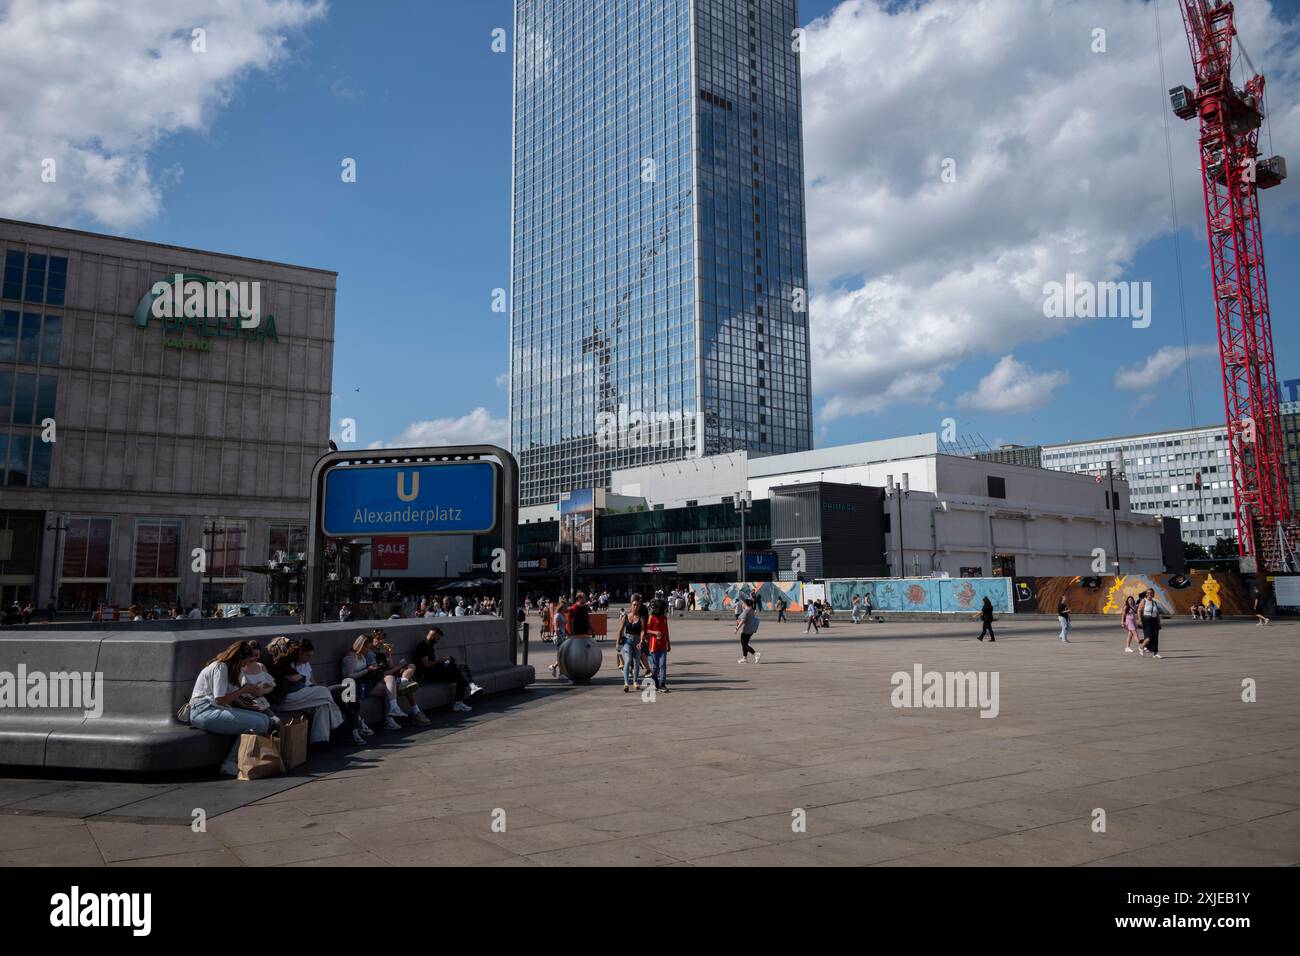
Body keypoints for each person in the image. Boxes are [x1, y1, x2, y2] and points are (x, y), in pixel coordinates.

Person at [188, 641, 275, 776]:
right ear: (238, 659)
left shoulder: (231, 669)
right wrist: (243, 690)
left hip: (215, 708)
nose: (246, 665)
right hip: (203, 710)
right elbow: (220, 699)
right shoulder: (221, 667)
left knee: (264, 719)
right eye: (244, 662)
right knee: (257, 723)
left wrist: (249, 707)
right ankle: (230, 763)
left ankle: (248, 759)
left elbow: (232, 697)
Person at [269, 638, 345, 747]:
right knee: (324, 692)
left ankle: (319, 742)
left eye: (311, 656)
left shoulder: (306, 665)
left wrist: (314, 685)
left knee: (322, 705)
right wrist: (301, 678)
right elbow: (289, 680)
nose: (309, 659)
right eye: (307, 656)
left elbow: (312, 682)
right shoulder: (287, 664)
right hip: (289, 698)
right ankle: (338, 722)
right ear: (299, 653)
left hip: (307, 696)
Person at [413, 627, 482, 713]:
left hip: (436, 671)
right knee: (462, 671)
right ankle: (470, 688)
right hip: (432, 674)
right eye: (437, 639)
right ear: (433, 635)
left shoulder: (428, 646)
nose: (437, 641)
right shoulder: (423, 646)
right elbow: (426, 665)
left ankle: (465, 695)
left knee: (459, 669)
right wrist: (441, 660)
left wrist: (445, 660)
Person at [618, 595, 646, 692]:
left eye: (637, 605)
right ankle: (626, 683)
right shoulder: (625, 617)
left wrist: (642, 641)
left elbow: (642, 631)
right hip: (627, 642)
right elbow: (620, 630)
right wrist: (617, 643)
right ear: (631, 605)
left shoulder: (641, 618)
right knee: (628, 660)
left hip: (637, 642)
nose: (636, 607)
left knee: (636, 662)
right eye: (634, 605)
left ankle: (635, 682)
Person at [647, 599, 671, 691]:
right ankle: (654, 681)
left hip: (663, 645)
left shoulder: (664, 618)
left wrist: (668, 643)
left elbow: (666, 630)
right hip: (654, 644)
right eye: (665, 608)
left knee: (663, 665)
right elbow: (647, 630)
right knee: (655, 666)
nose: (666, 609)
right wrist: (655, 632)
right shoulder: (651, 617)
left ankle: (662, 684)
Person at [1137, 588, 1164, 659]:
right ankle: (1141, 647)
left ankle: (1155, 653)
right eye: (1149, 593)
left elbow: (1157, 613)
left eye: (1152, 593)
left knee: (1156, 637)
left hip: (1154, 620)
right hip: (1146, 620)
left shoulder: (1154, 602)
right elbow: (1139, 611)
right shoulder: (1144, 601)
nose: (1151, 594)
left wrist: (1159, 622)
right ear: (1146, 594)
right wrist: (1140, 620)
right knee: (1150, 636)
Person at [735, 597, 761, 664]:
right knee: (745, 644)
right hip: (751, 629)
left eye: (743, 603)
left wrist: (737, 628)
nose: (742, 604)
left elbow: (742, 620)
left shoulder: (746, 610)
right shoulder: (751, 609)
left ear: (746, 604)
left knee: (744, 644)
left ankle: (755, 654)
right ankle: (744, 658)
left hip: (746, 630)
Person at [549, 600, 568, 679]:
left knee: (562, 655)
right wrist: (560, 637)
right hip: (559, 637)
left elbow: (564, 626)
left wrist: (568, 634)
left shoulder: (563, 615)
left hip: (563, 636)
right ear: (561, 607)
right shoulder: (557, 615)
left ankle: (553, 667)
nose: (566, 608)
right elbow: (556, 628)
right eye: (565, 607)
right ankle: (561, 674)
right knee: (562, 655)